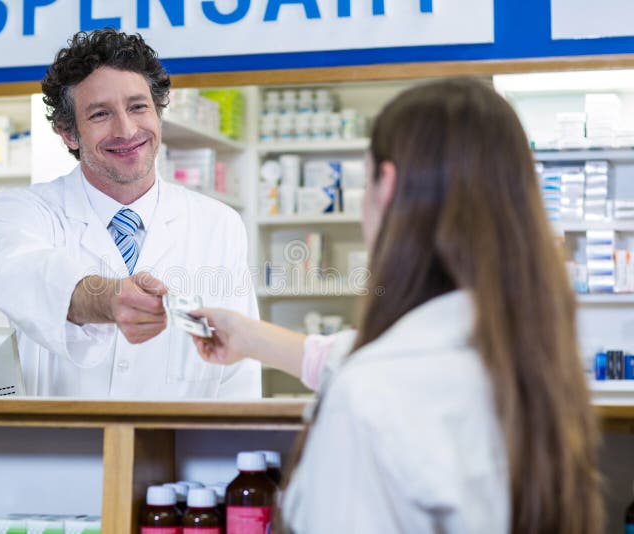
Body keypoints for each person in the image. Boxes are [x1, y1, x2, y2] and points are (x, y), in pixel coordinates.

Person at [192, 78, 602, 533]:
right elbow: (361, 360)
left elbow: (377, 383)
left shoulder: (371, 395)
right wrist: (248, 337)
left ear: (386, 185)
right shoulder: (529, 358)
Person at [0, 29, 260, 399]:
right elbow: (20, 275)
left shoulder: (218, 224)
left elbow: (237, 372)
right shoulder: (23, 212)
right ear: (68, 133)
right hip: (64, 451)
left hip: (180, 452)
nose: (126, 130)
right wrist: (107, 299)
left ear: (159, 112)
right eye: (100, 114)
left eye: (138, 107)